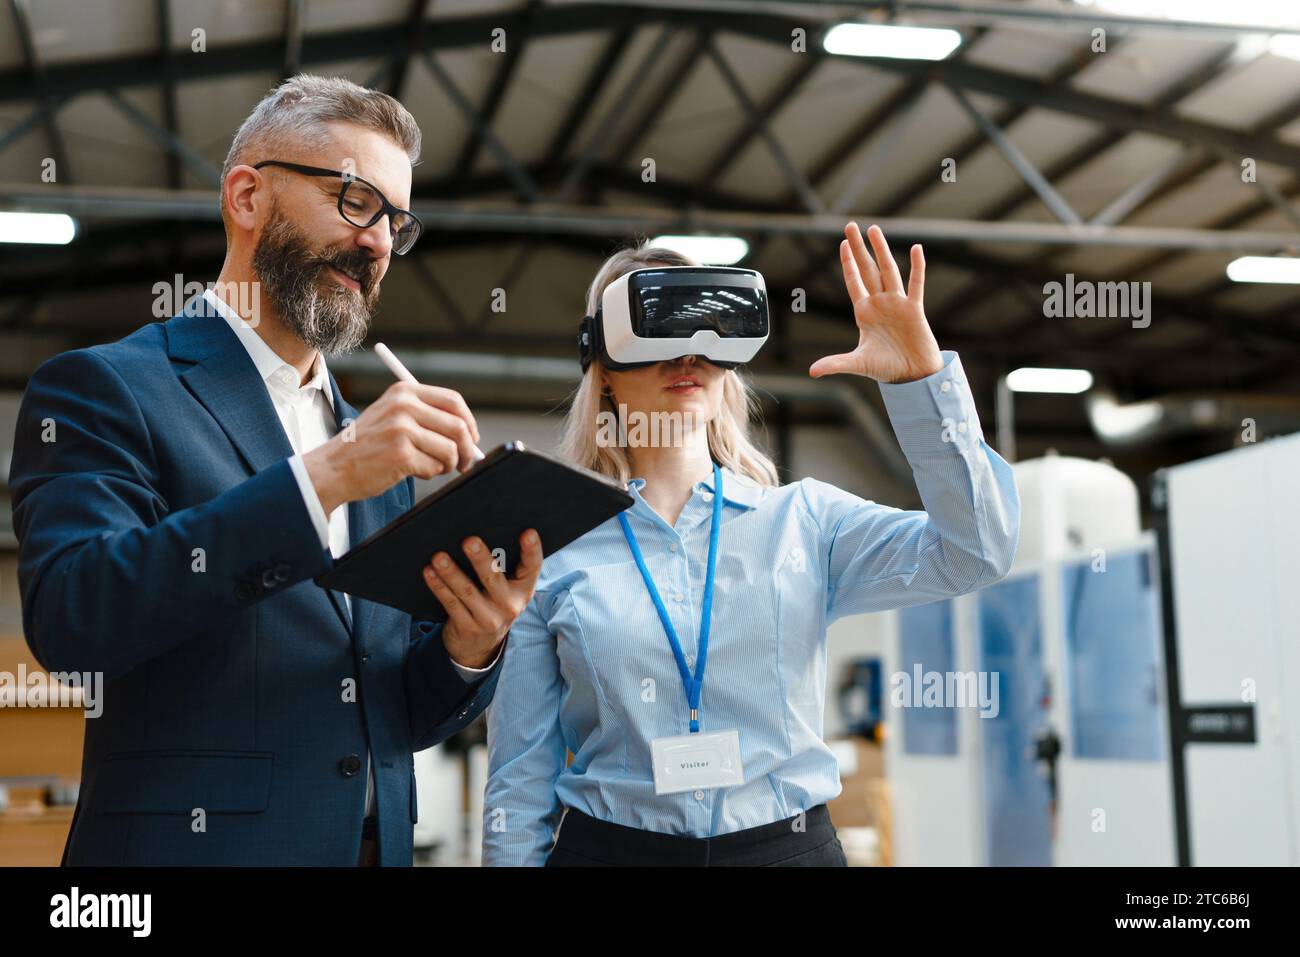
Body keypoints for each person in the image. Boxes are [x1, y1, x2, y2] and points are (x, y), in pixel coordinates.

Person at [9, 75, 542, 866]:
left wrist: (470, 644)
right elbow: (74, 619)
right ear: (248, 196)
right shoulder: (105, 388)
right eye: (356, 199)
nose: (379, 242)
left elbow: (389, 715)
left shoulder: (371, 447)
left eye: (397, 221)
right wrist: (320, 478)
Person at [482, 223, 1020, 866]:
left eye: (707, 335)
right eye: (660, 332)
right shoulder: (552, 548)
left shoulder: (806, 521)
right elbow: (519, 777)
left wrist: (920, 384)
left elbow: (975, 553)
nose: (688, 357)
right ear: (603, 372)